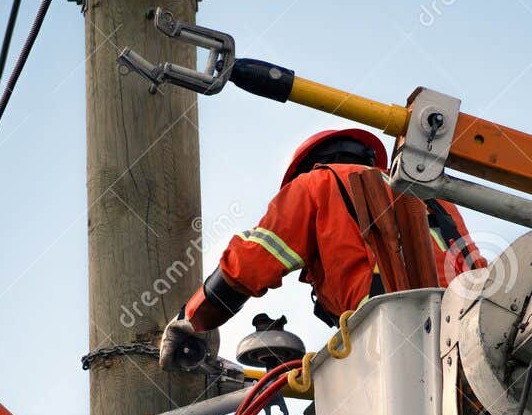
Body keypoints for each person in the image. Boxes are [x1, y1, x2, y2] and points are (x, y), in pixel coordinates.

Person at [158, 128, 486, 371]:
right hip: (473, 339)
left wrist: (192, 319)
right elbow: (479, 271)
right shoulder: (434, 201)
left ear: (311, 166)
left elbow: (252, 261)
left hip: (392, 334)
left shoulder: (317, 184)